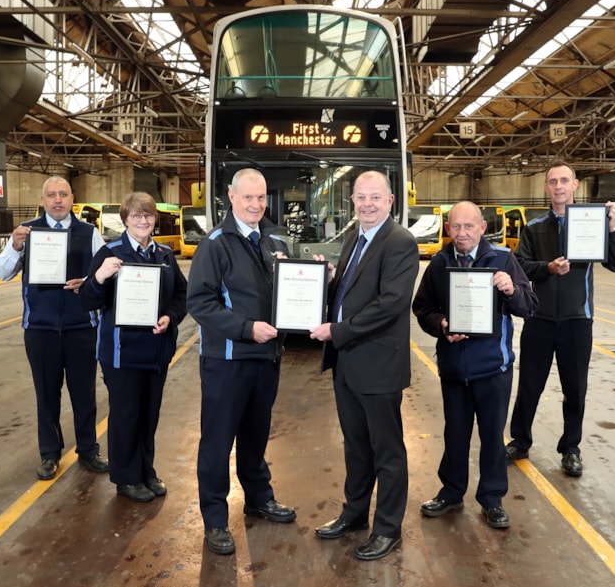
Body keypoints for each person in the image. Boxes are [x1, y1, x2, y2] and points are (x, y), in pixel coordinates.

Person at [309, 170, 419, 561]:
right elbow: (353, 291)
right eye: (361, 197)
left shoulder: (400, 242)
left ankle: (388, 528)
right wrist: (329, 280)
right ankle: (354, 515)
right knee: (356, 448)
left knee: (386, 452)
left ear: (390, 201)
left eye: (375, 198)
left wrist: (336, 331)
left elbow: (389, 304)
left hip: (377, 365)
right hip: (348, 365)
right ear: (352, 201)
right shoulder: (356, 235)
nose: (367, 204)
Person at [186, 168, 296, 556]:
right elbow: (200, 302)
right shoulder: (215, 244)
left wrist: (321, 279)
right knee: (217, 442)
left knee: (257, 434)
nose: (255, 205)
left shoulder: (278, 237)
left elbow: (293, 288)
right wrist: (247, 329)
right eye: (248, 197)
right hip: (228, 359)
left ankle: (258, 498)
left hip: (266, 358)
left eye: (261, 197)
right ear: (230, 197)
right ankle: (215, 519)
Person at [411, 201, 537, 529]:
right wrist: (441, 324)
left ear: (482, 228)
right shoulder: (439, 264)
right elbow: (421, 308)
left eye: (469, 226)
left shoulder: (503, 260)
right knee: (455, 433)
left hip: (493, 369)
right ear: (448, 229)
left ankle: (492, 499)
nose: (462, 233)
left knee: (493, 436)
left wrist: (511, 290)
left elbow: (528, 306)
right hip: (454, 369)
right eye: (456, 227)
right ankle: (451, 492)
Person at [506, 161, 615, 477]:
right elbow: (519, 266)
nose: (558, 186)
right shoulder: (534, 228)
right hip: (539, 319)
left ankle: (571, 448)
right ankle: (520, 440)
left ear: (575, 185)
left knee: (575, 388)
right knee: (529, 385)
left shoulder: (593, 222)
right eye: (552, 181)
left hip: (577, 321)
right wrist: (547, 268)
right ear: (546, 188)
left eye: (564, 180)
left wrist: (612, 227)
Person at [0, 176, 109, 481]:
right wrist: (16, 247)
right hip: (40, 329)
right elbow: (2, 273)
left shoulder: (89, 233)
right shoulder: (26, 232)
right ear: (42, 200)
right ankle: (49, 454)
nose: (57, 200)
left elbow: (105, 274)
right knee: (46, 394)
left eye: (63, 194)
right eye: (51, 195)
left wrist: (88, 282)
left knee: (84, 393)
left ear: (72, 199)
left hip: (82, 327)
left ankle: (88, 449)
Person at [79, 192, 188, 502]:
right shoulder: (110, 253)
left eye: (148, 215)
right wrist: (100, 276)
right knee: (126, 414)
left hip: (156, 350)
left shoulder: (165, 255)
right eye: (137, 216)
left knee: (149, 415)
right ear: (125, 219)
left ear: (155, 219)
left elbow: (181, 296)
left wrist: (170, 316)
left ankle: (146, 471)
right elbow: (87, 300)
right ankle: (127, 478)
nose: (143, 221)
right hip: (121, 353)